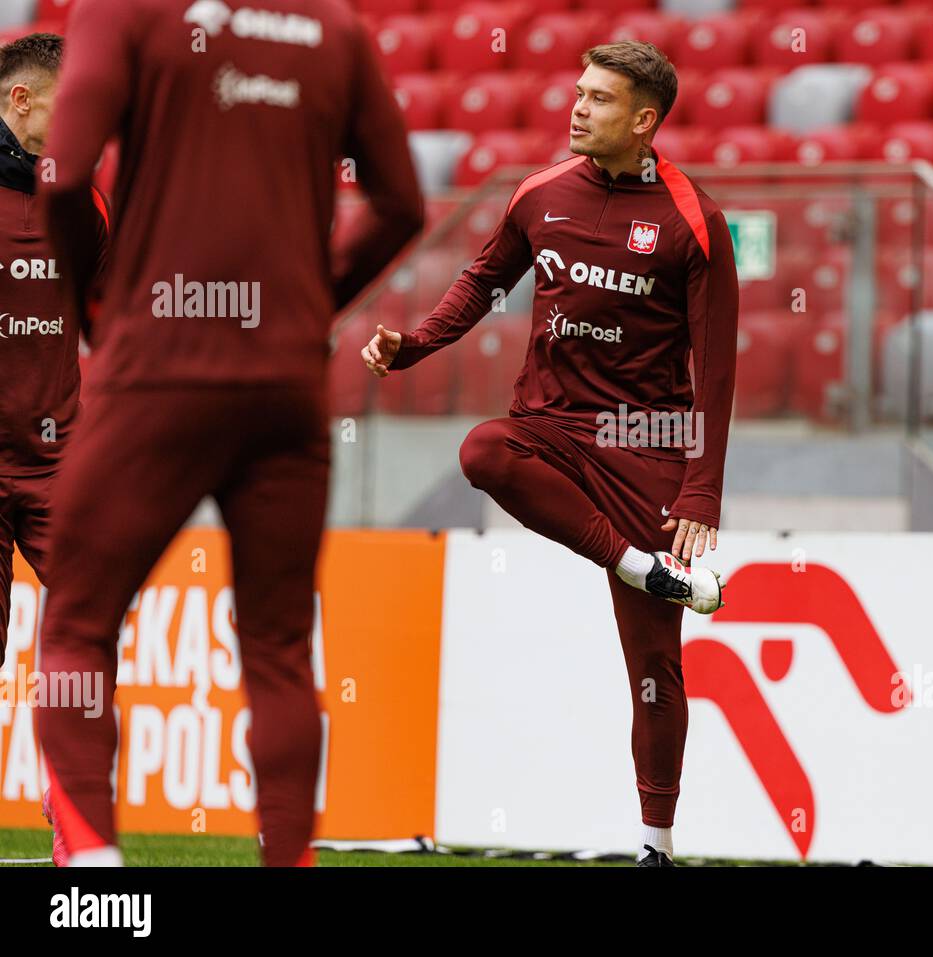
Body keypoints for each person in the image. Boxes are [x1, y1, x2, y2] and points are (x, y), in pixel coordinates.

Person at [37, 0, 424, 866]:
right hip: (286, 380)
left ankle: (96, 878)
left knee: (75, 627)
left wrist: (91, 308)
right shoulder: (339, 30)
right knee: (279, 648)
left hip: (154, 368)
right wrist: (308, 302)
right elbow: (401, 203)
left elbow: (60, 176)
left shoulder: (125, 10)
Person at [362, 40, 738, 867]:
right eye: (578, 91)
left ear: (644, 121)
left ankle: (657, 846)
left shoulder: (694, 219)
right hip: (551, 425)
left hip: (648, 445)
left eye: (599, 99)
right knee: (484, 451)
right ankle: (640, 565)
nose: (577, 107)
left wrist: (702, 494)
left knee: (652, 666)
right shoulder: (540, 194)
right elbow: (482, 279)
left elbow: (715, 369)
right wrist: (417, 343)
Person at [0, 32, 108, 867]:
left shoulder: (84, 203)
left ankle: (74, 825)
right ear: (24, 102)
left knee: (86, 639)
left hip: (58, 462)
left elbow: (110, 331)